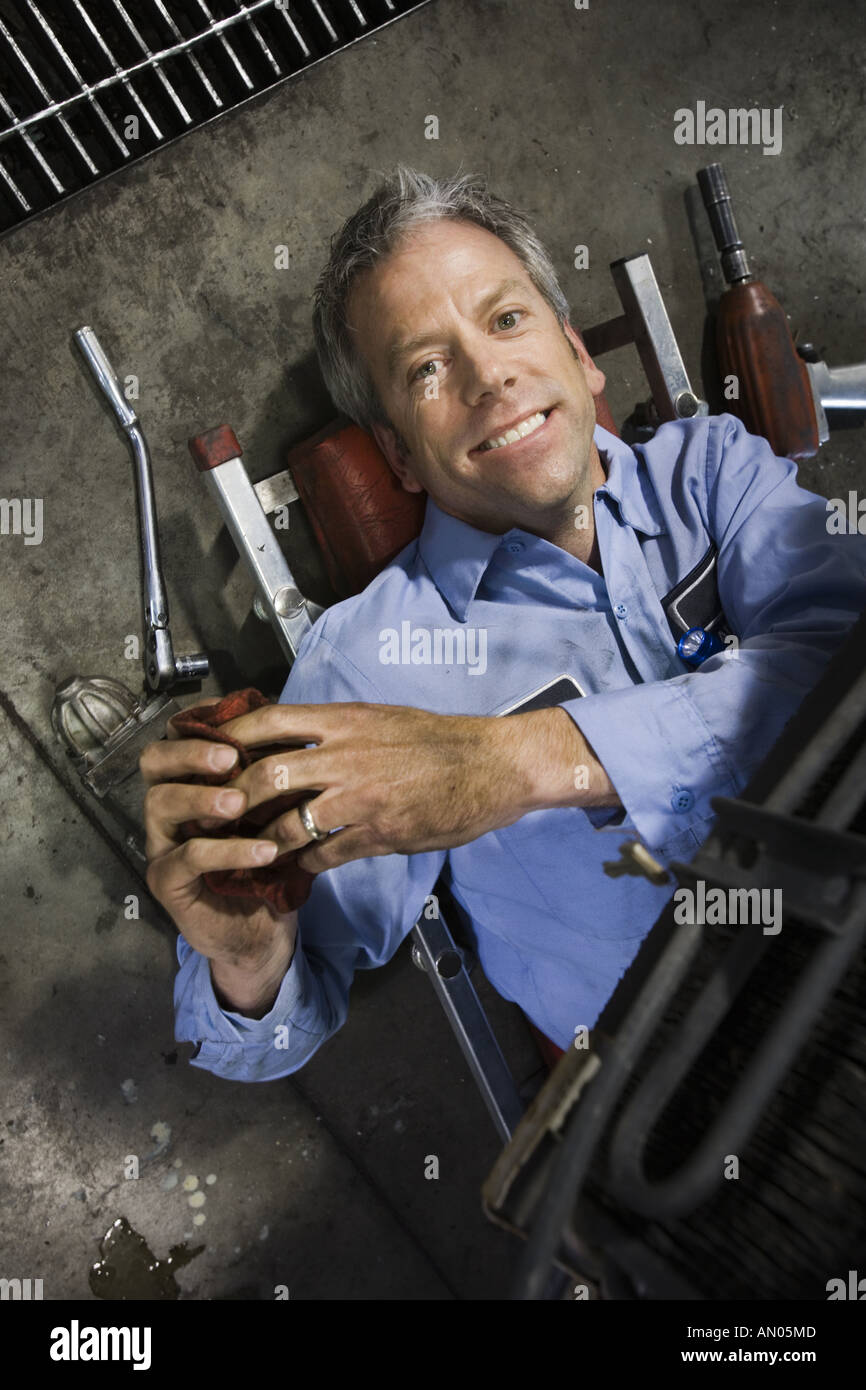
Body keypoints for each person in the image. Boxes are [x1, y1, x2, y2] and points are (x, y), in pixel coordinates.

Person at [141, 167, 866, 1082]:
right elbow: (272, 1040)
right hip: (674, 1081)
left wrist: (513, 763)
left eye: (507, 320)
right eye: (427, 369)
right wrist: (248, 957)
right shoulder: (368, 670)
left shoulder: (714, 471)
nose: (490, 377)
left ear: (576, 352)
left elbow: (847, 672)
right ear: (400, 455)